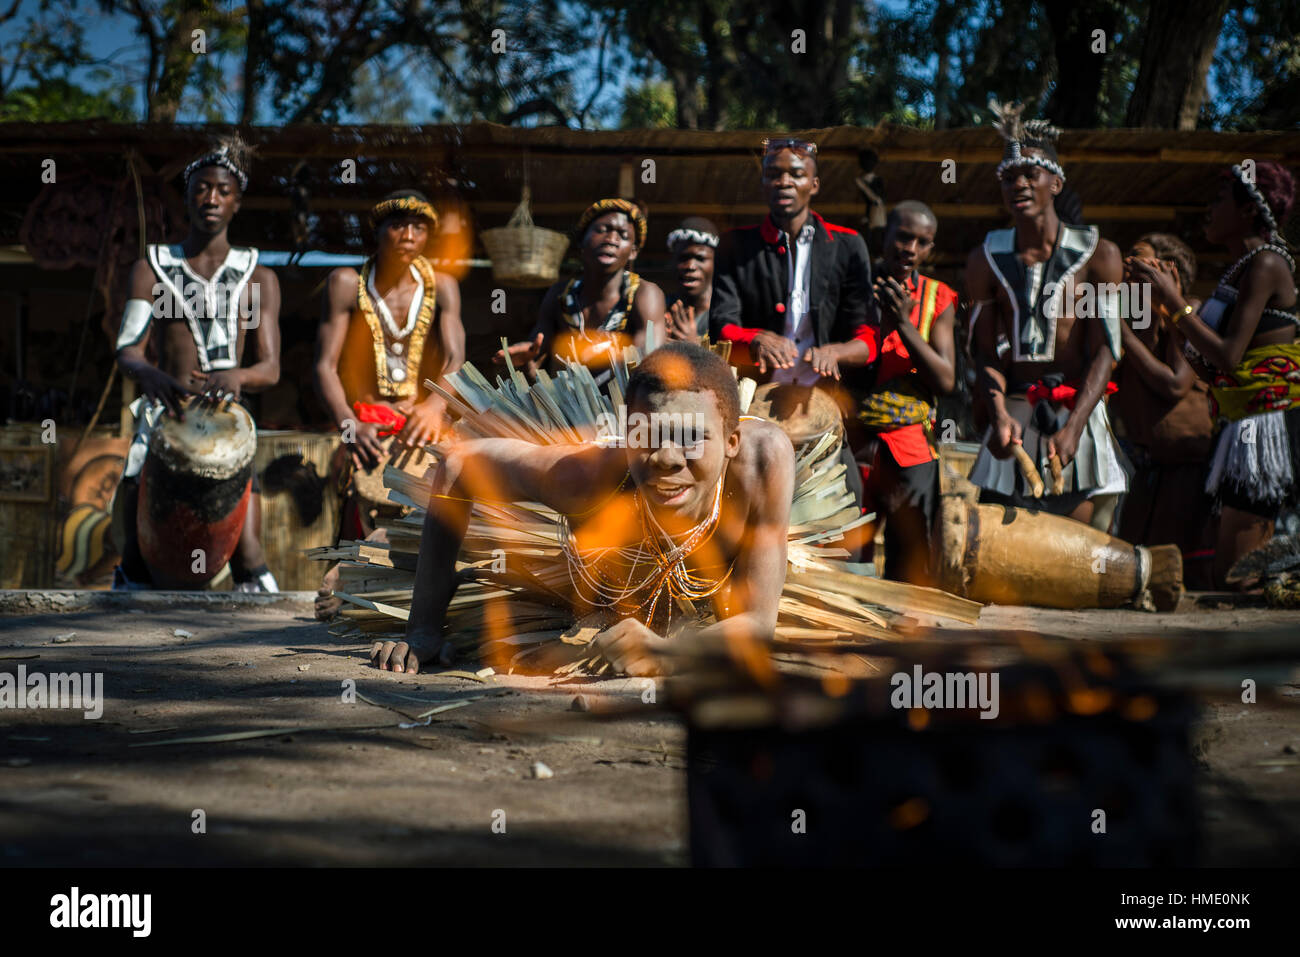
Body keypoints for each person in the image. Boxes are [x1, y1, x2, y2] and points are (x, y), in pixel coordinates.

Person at [369, 342, 794, 676]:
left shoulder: (762, 464)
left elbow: (757, 626)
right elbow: (458, 465)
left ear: (732, 443)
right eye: (647, 435)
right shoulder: (588, 481)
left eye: (689, 437)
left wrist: (666, 651)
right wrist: (423, 628)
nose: (666, 458)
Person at [112, 134, 282, 591]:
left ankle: (255, 593)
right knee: (137, 494)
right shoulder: (154, 267)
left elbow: (271, 369)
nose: (211, 198)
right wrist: (149, 373)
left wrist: (237, 375)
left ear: (237, 202)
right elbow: (128, 349)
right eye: (202, 188)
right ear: (187, 197)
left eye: (223, 190)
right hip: (168, 412)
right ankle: (130, 577)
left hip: (229, 423)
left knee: (249, 551)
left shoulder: (259, 276)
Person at [1128, 162, 1298, 585]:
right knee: (1232, 572)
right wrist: (1168, 313)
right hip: (1241, 426)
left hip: (1265, 430)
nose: (1209, 209)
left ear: (1247, 210)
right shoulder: (1239, 270)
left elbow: (1228, 356)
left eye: (1220, 199)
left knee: (1239, 576)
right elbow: (1206, 365)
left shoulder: (1268, 263)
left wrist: (1173, 300)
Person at [708, 137, 877, 552]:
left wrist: (836, 351)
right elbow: (721, 327)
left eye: (795, 174)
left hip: (823, 406)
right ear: (763, 183)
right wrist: (756, 338)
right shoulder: (735, 245)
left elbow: (869, 339)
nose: (784, 181)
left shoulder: (848, 245)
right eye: (774, 174)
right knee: (742, 520)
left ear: (814, 184)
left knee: (847, 520)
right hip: (754, 407)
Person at [966, 102, 1127, 530]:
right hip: (1014, 418)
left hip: (1077, 415)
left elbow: (1106, 351)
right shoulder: (986, 257)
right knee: (998, 553)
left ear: (1055, 183)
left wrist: (1074, 427)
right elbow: (984, 353)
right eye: (1008, 177)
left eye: (1029, 175)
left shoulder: (1099, 254)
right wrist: (998, 413)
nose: (1018, 184)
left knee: (1074, 554)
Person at [316, 190, 465, 532]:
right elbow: (324, 365)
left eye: (419, 228)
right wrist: (349, 424)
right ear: (377, 231)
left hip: (421, 421)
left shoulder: (443, 286)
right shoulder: (345, 283)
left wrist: (434, 406)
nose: (409, 236)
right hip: (366, 422)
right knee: (358, 516)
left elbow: (456, 359)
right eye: (398, 225)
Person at [858, 201, 958, 584]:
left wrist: (903, 324)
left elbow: (946, 380)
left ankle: (900, 633)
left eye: (923, 242)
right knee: (846, 547)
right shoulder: (856, 286)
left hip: (910, 440)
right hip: (854, 436)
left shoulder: (938, 298)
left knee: (909, 552)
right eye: (903, 236)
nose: (910, 249)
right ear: (886, 236)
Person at [1112, 233, 1216, 589]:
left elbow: (1175, 383)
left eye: (1138, 258)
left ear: (1167, 270)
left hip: (1186, 465)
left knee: (1174, 568)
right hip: (1147, 465)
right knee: (1136, 565)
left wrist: (1117, 330)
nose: (1127, 264)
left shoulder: (1190, 313)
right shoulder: (1136, 316)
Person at [497, 199, 666, 385]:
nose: (611, 239)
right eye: (602, 230)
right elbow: (534, 360)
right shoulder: (560, 295)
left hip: (627, 408)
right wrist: (525, 361)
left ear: (633, 251)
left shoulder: (645, 294)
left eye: (623, 235)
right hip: (569, 408)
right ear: (582, 241)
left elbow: (649, 365)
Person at [663, 217, 719, 343]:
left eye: (700, 258)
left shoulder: (724, 314)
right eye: (683, 258)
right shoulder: (659, 308)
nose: (690, 266)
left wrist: (693, 347)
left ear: (716, 263)